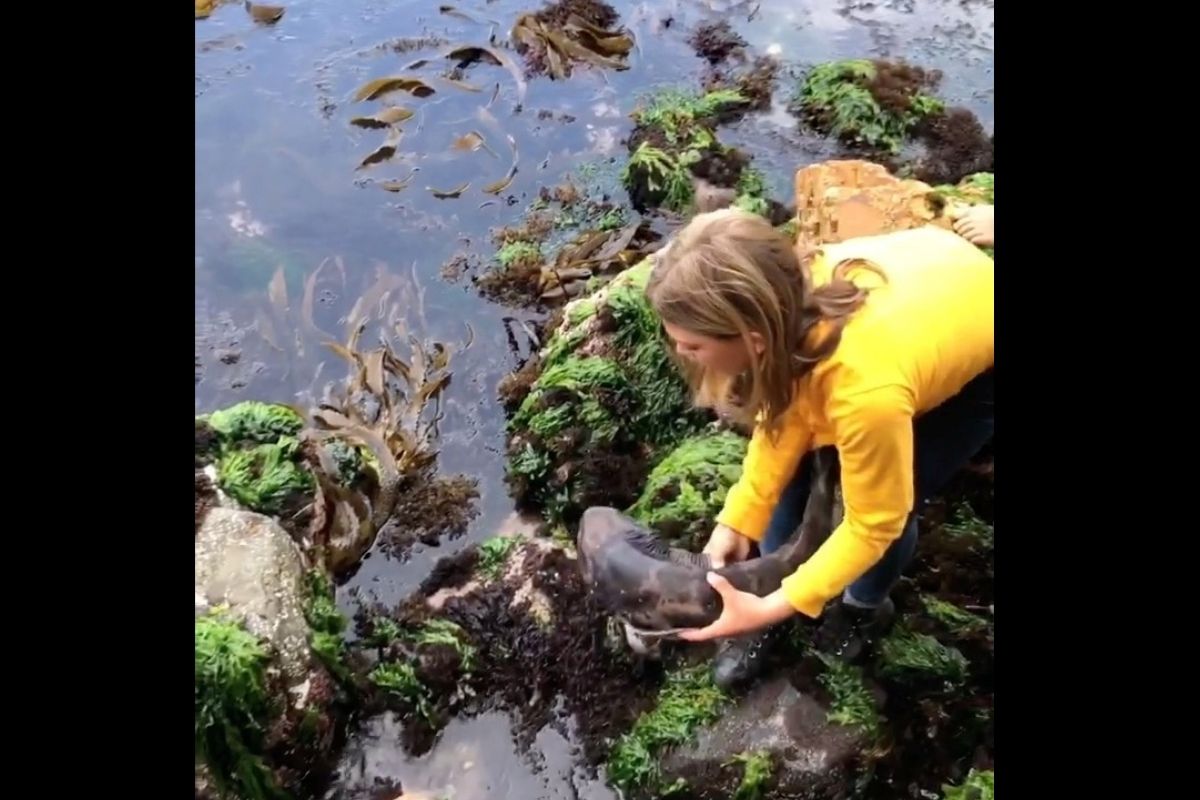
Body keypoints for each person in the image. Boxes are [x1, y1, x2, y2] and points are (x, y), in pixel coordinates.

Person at [643, 209, 994, 689]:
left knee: (893, 498)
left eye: (692, 345)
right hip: (927, 279)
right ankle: (771, 601)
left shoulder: (866, 393)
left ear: (754, 339)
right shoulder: (784, 303)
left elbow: (877, 520)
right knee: (795, 480)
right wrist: (737, 519)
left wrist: (772, 605)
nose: (678, 351)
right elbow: (782, 423)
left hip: (975, 339)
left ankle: (864, 609)